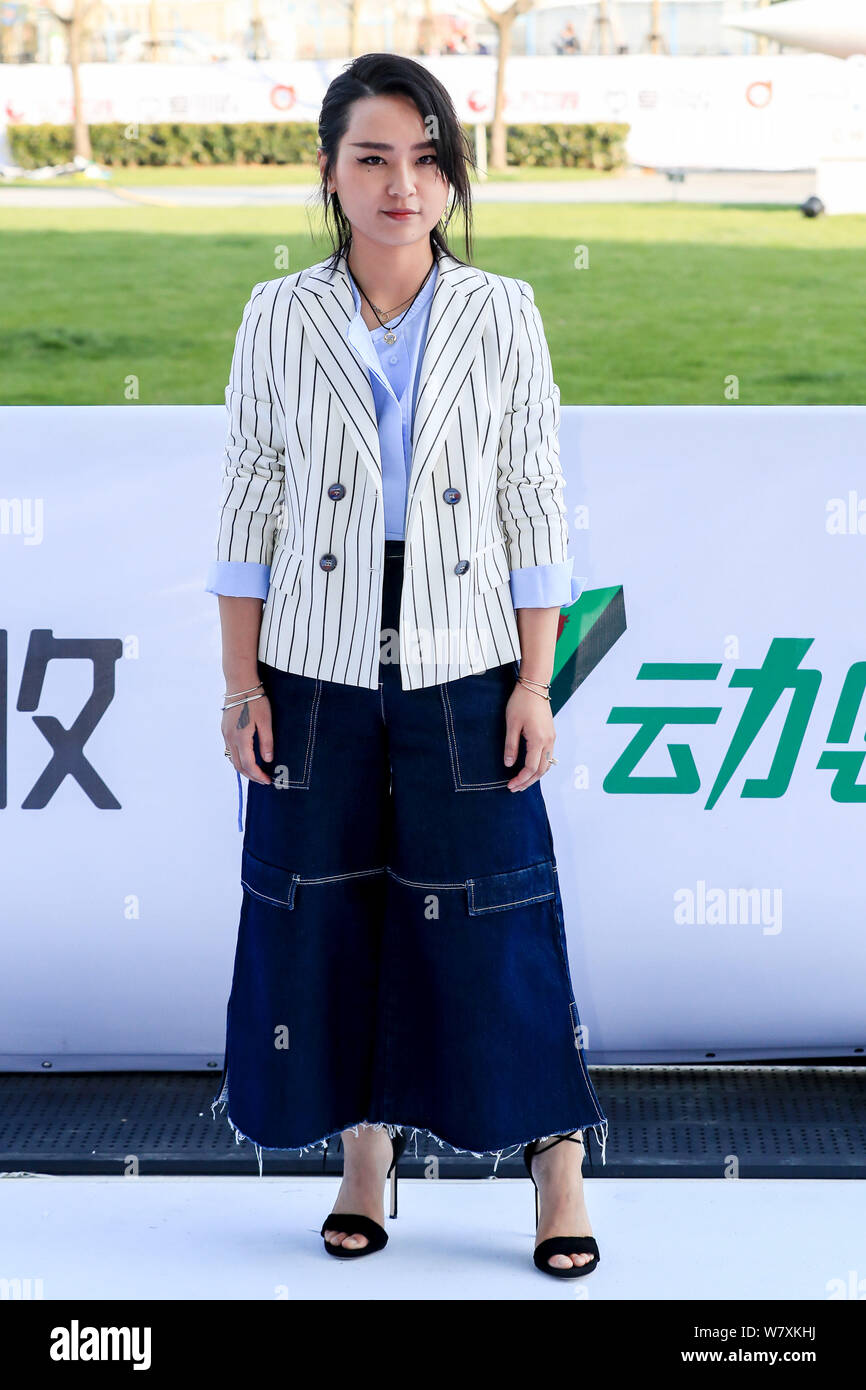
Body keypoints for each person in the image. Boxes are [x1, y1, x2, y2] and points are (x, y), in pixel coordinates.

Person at [206, 51, 607, 1279]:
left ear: (450, 178)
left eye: (425, 159)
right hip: (313, 659)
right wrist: (242, 683)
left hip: (465, 655)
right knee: (324, 909)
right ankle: (363, 1157)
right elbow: (246, 509)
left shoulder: (503, 312)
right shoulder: (279, 314)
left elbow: (534, 506)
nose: (401, 184)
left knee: (498, 912)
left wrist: (533, 682)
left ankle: (556, 1169)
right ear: (328, 172)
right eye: (372, 156)